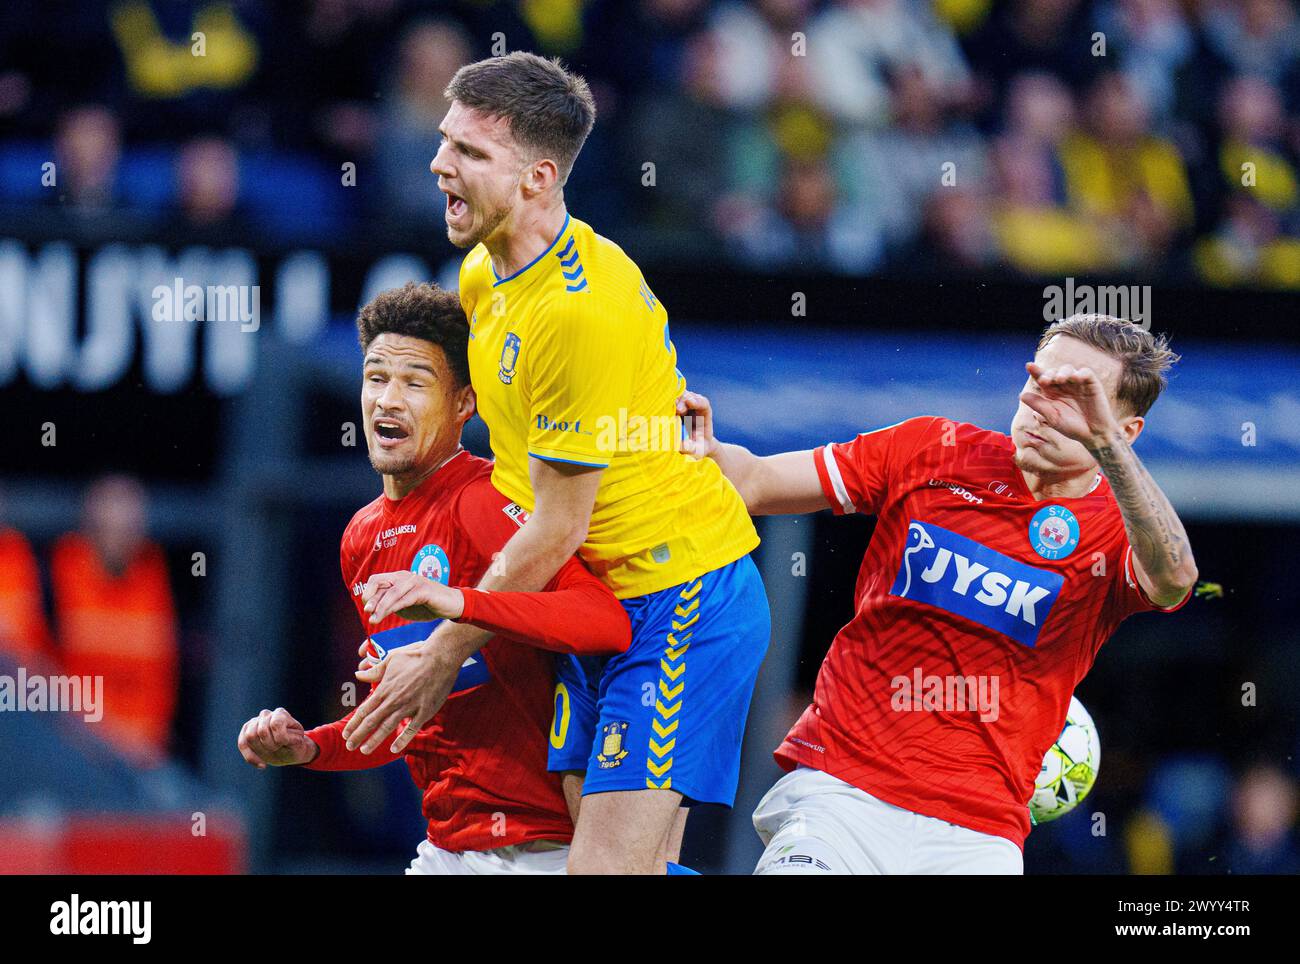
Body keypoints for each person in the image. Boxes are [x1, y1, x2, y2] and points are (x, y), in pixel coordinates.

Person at [341, 52, 771, 874]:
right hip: (590, 599)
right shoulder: (480, 276)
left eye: (469, 152)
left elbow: (557, 521)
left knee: (601, 871)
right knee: (623, 863)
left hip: (679, 597)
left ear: (539, 176)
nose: (438, 165)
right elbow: (511, 482)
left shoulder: (580, 313)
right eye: (443, 142)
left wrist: (444, 650)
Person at [678, 313, 1198, 874]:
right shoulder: (934, 450)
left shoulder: (1121, 528)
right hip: (840, 797)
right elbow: (755, 481)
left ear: (1125, 433)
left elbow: (1174, 578)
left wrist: (1104, 449)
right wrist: (704, 451)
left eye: (1075, 397)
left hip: (978, 835)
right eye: (1039, 382)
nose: (1042, 406)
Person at [236, 282, 631, 874]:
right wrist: (311, 747)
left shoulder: (482, 501)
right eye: (376, 378)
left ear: (464, 403)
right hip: (447, 849)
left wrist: (459, 603)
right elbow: (402, 713)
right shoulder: (362, 538)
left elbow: (606, 621)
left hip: (544, 852)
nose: (387, 401)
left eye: (415, 383)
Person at [51, 475, 178, 764]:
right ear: (90, 524)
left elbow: (161, 680)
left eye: (131, 524)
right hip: (75, 756)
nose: (122, 532)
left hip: (141, 763)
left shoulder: (155, 580)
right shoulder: (57, 577)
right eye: (111, 522)